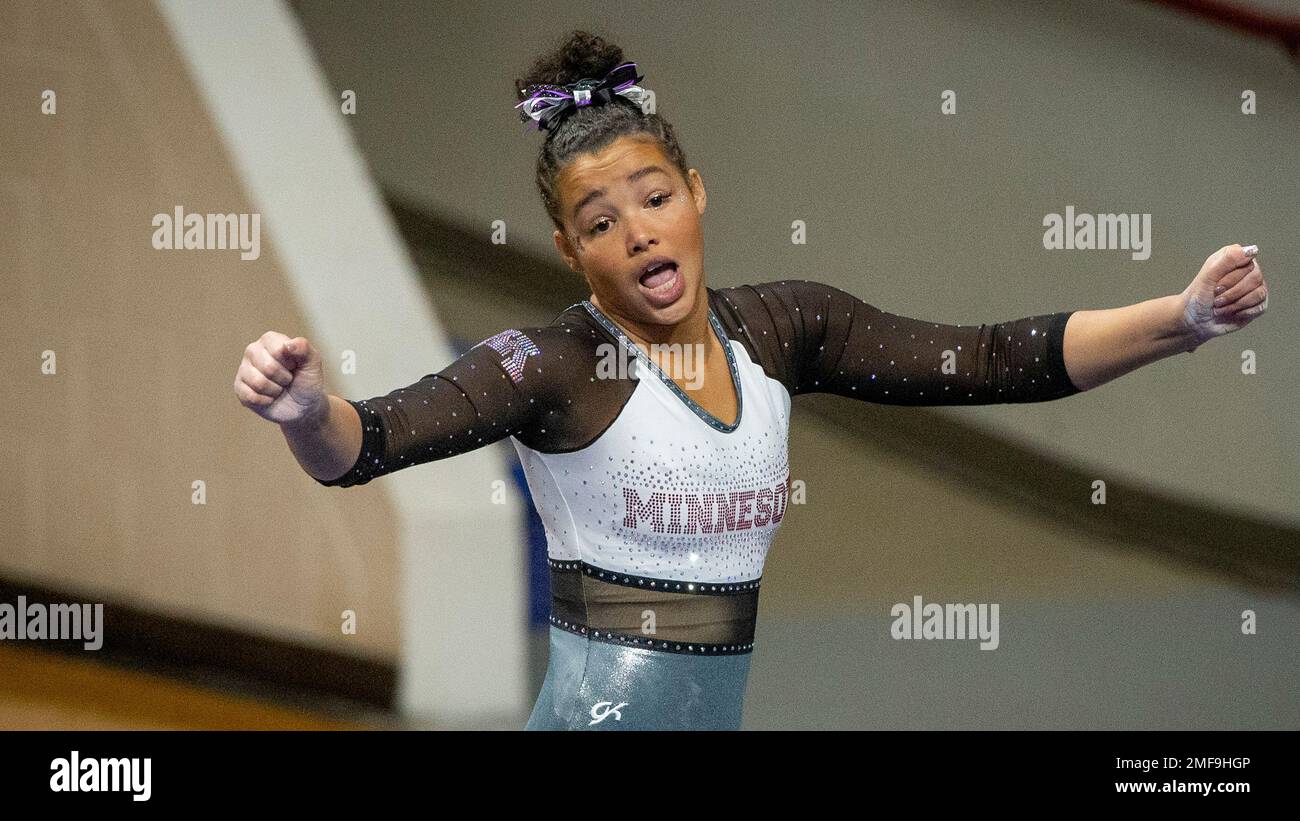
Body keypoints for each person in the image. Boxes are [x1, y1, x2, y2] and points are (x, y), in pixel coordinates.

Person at [233, 31, 1269, 730]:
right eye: (601, 223)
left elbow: (996, 358)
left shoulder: (785, 328)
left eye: (652, 197)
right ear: (569, 249)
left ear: (694, 193)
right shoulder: (555, 366)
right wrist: (298, 411)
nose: (636, 230)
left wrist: (1179, 319)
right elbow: (367, 440)